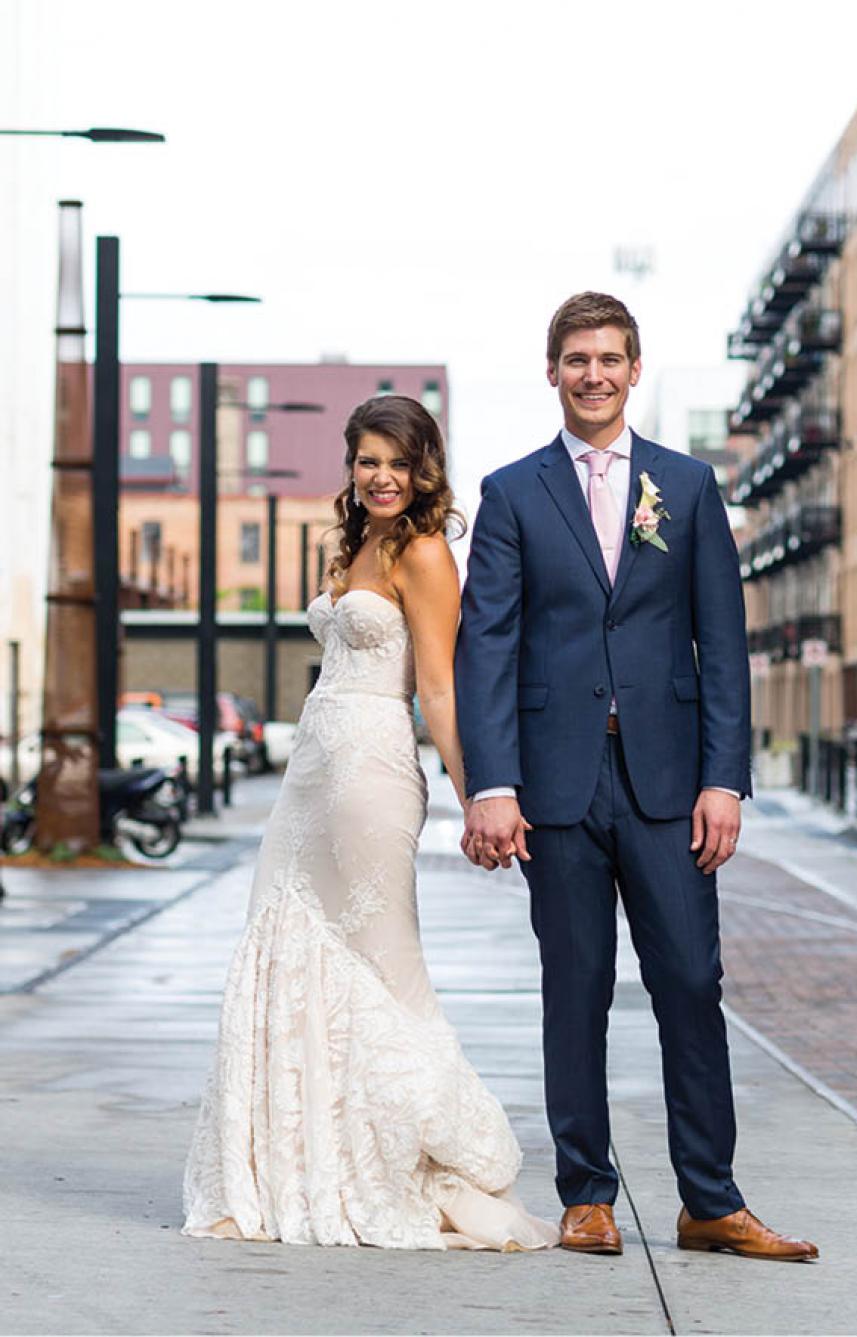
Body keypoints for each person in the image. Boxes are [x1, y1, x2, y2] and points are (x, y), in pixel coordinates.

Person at [455, 292, 818, 1262]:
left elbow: (724, 645)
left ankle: (711, 1197)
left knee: (692, 982)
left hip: (668, 782)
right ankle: (587, 1193)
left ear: (634, 367)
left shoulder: (689, 488)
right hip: (556, 785)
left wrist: (725, 780)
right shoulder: (512, 491)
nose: (594, 373)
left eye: (611, 357)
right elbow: (484, 645)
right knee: (574, 985)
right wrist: (493, 783)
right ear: (553, 371)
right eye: (577, 358)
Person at [182, 395, 557, 1253]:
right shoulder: (350, 543)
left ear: (423, 468)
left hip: (372, 771)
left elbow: (439, 688)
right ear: (350, 466)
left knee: (380, 969)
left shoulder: (426, 553)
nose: (381, 477)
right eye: (366, 461)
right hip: (311, 770)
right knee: (285, 945)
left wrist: (482, 796)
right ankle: (293, 1164)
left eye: (398, 462)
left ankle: (418, 1150)